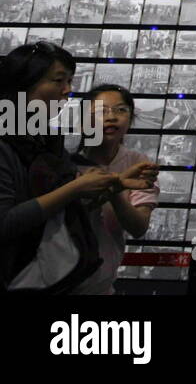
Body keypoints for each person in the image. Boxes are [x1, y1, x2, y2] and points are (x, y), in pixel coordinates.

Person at [0, 41, 155, 293]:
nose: (67, 90)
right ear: (25, 83)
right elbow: (5, 223)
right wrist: (75, 188)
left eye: (70, 81)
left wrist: (115, 184)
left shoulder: (46, 140)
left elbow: (64, 209)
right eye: (59, 81)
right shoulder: (7, 142)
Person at [72, 84, 160, 294]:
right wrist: (118, 183)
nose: (111, 117)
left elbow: (139, 227)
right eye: (101, 111)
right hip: (55, 281)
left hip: (102, 285)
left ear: (130, 120)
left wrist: (115, 190)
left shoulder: (138, 162)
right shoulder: (65, 161)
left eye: (121, 110)